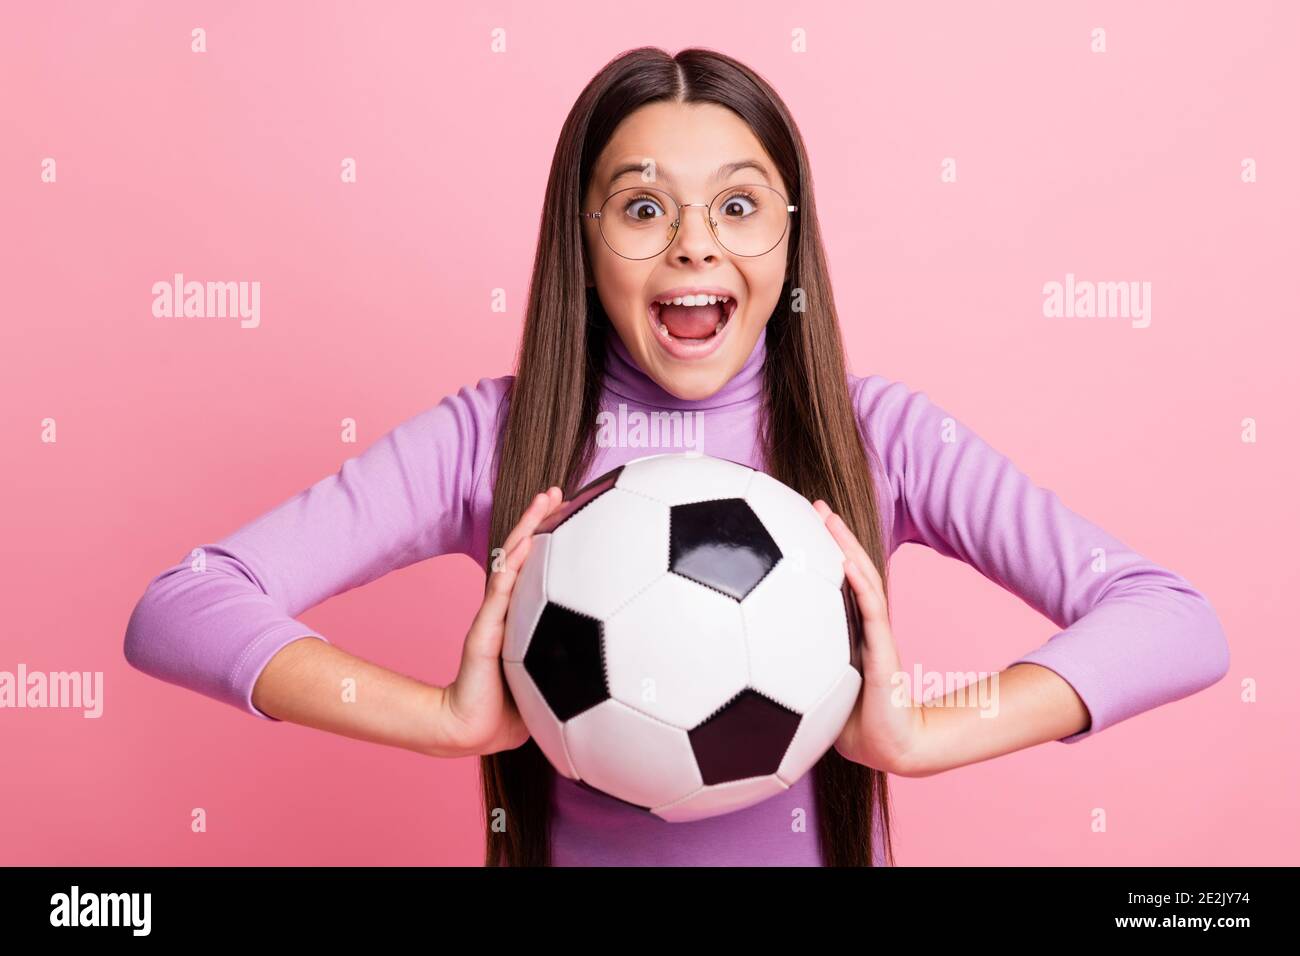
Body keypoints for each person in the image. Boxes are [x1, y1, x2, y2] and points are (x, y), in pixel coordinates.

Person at [123, 46, 1230, 867]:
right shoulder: (493, 437)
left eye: (738, 206)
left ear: (788, 235)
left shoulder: (875, 434)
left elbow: (1172, 618)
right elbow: (182, 603)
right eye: (642, 206)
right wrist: (438, 715)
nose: (695, 241)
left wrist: (927, 731)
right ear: (581, 235)